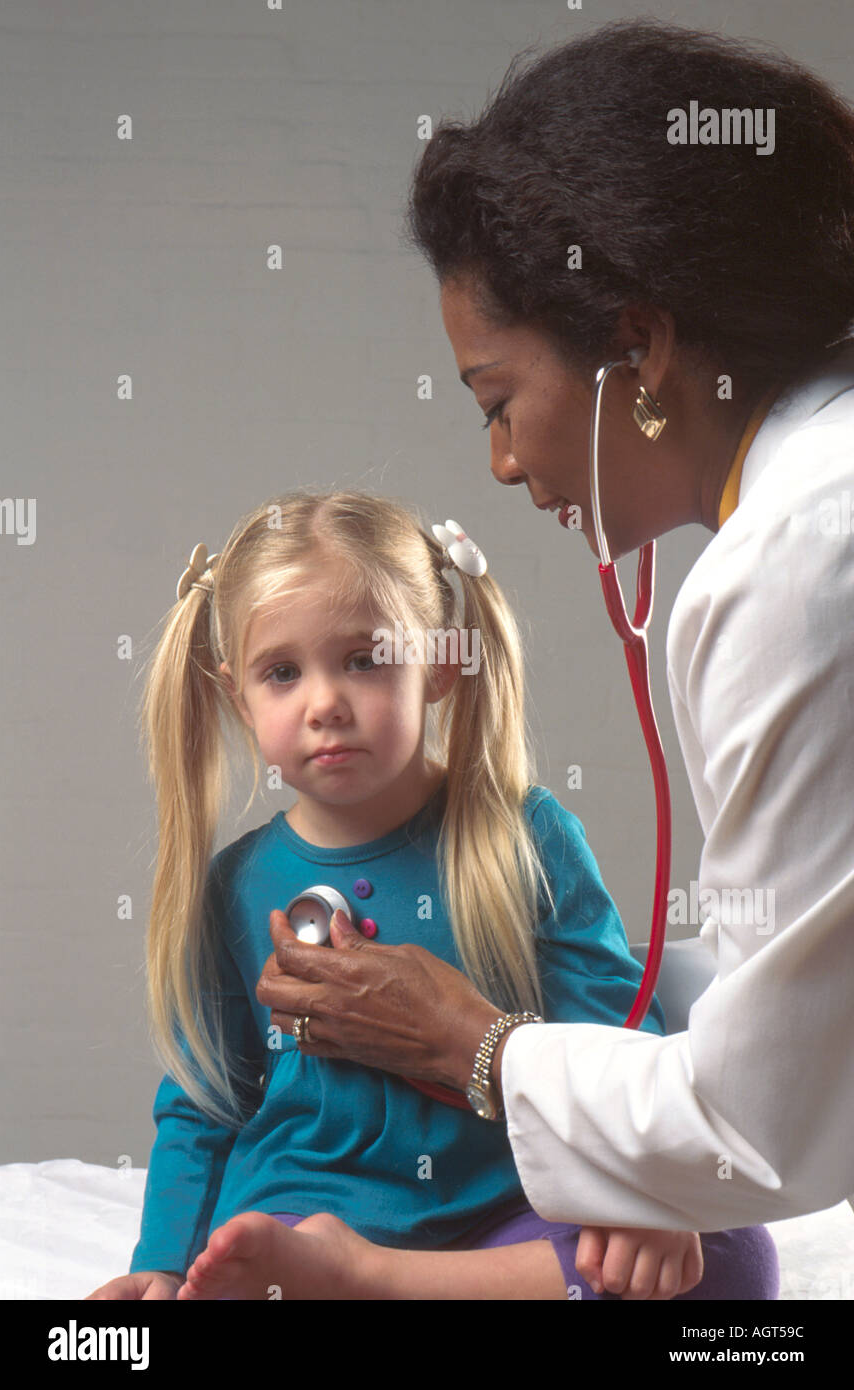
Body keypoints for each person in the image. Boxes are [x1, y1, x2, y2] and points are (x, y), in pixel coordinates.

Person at [244, 17, 854, 1277]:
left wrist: (470, 1040)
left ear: (638, 346)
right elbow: (804, 976)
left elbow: (766, 1116)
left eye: (498, 401)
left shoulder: (794, 566)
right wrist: (552, 1023)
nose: (504, 463)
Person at [85, 489, 777, 1301]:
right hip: (304, 1211)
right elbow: (204, 1103)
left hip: (508, 1207)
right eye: (282, 673)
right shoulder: (235, 887)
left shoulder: (528, 836)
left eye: (365, 659)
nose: (325, 703)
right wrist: (159, 1265)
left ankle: (374, 1283)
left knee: (725, 1254)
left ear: (442, 664)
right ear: (240, 697)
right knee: (245, 1270)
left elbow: (614, 1032)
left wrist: (644, 1194)